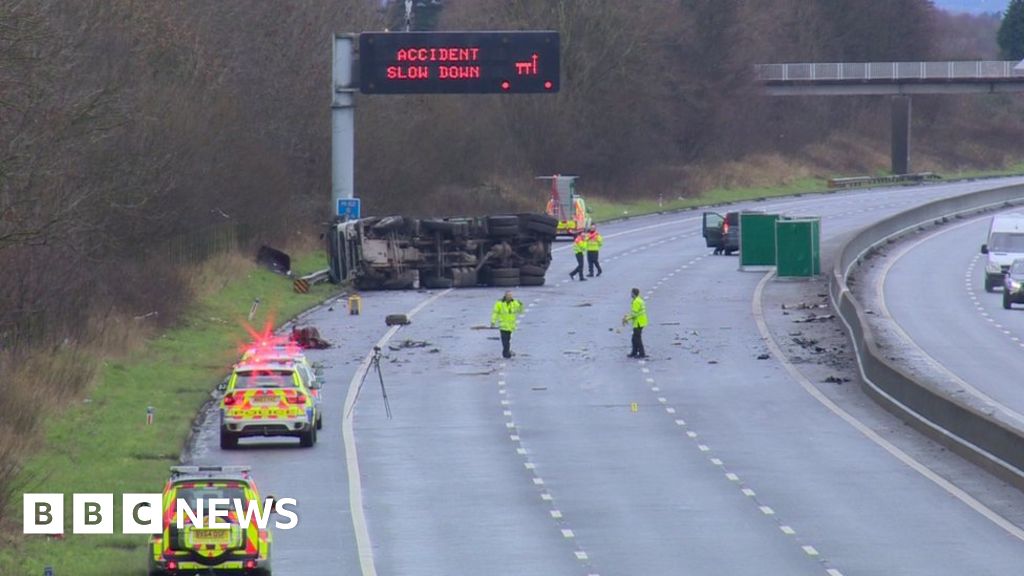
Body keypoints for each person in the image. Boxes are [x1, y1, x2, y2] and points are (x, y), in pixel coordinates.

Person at [491, 291, 523, 359]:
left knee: (508, 340)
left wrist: (521, 305)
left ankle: (506, 351)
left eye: (511, 295)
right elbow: (495, 313)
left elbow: (520, 311)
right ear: (505, 296)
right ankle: (506, 353)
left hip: (510, 326)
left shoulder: (514, 303)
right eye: (508, 295)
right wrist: (493, 322)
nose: (510, 297)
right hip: (503, 325)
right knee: (504, 340)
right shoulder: (499, 303)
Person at [625, 287, 648, 358]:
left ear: (633, 294)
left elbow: (634, 314)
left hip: (638, 322)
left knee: (637, 338)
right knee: (634, 338)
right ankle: (634, 352)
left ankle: (641, 353)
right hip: (641, 321)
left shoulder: (636, 302)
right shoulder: (639, 300)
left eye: (631, 293)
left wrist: (626, 319)